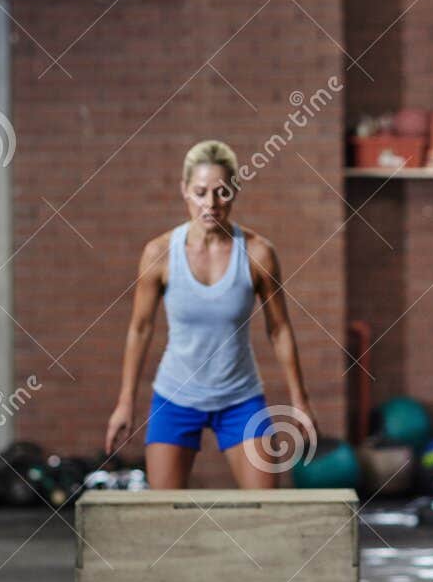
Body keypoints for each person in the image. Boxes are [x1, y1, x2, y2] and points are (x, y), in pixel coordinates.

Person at [105, 140, 318, 490]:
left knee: (266, 511)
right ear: (185, 191)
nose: (211, 204)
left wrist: (301, 401)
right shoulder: (158, 254)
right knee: (164, 518)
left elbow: (278, 329)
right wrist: (124, 402)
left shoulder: (257, 254)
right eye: (201, 192)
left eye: (221, 192)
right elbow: (140, 328)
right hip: (175, 396)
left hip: (239, 397)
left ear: (234, 192)